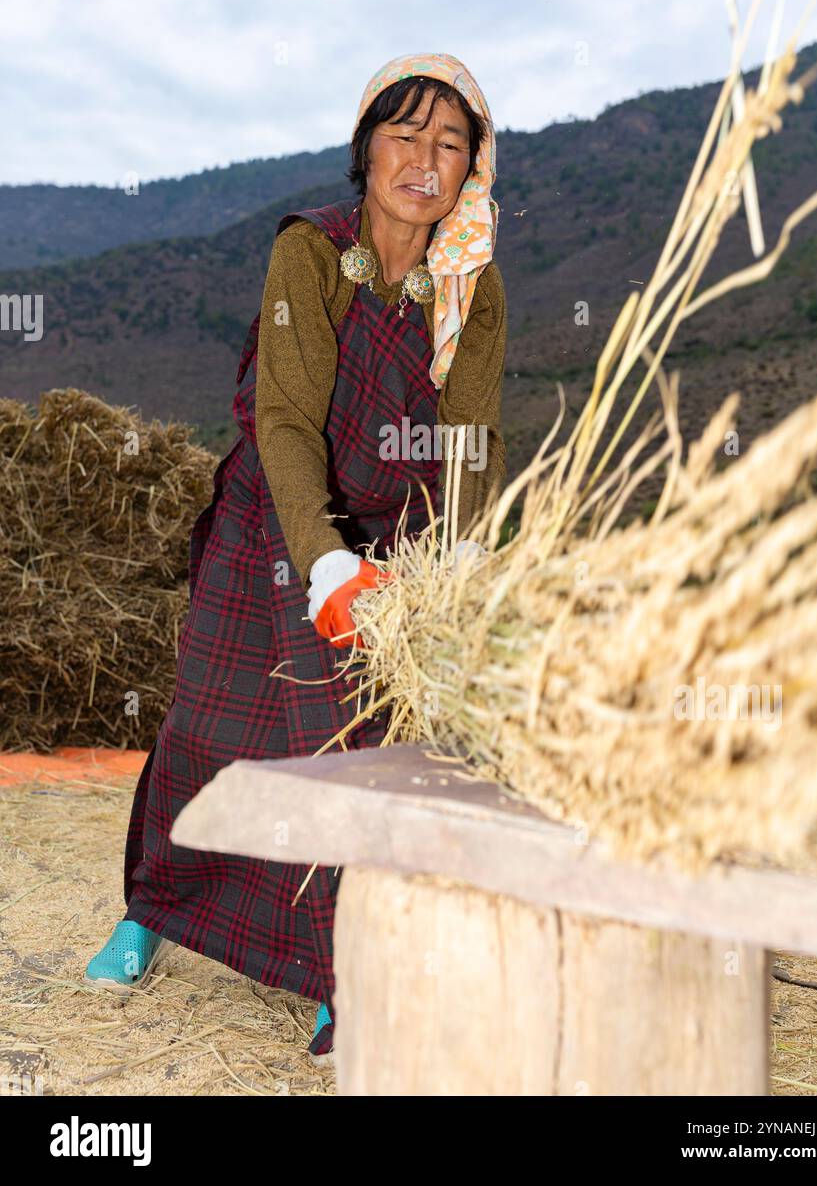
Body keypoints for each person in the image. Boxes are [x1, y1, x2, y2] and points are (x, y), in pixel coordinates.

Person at [84, 53, 507, 1060]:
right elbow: (282, 420)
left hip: (391, 545)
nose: (424, 158)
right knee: (205, 726)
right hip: (275, 520)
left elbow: (471, 443)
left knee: (355, 754)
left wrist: (455, 576)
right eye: (404, 135)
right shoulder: (310, 254)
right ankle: (153, 906)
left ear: (471, 168)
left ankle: (341, 969)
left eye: (450, 142)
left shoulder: (469, 287)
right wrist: (324, 564)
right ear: (366, 151)